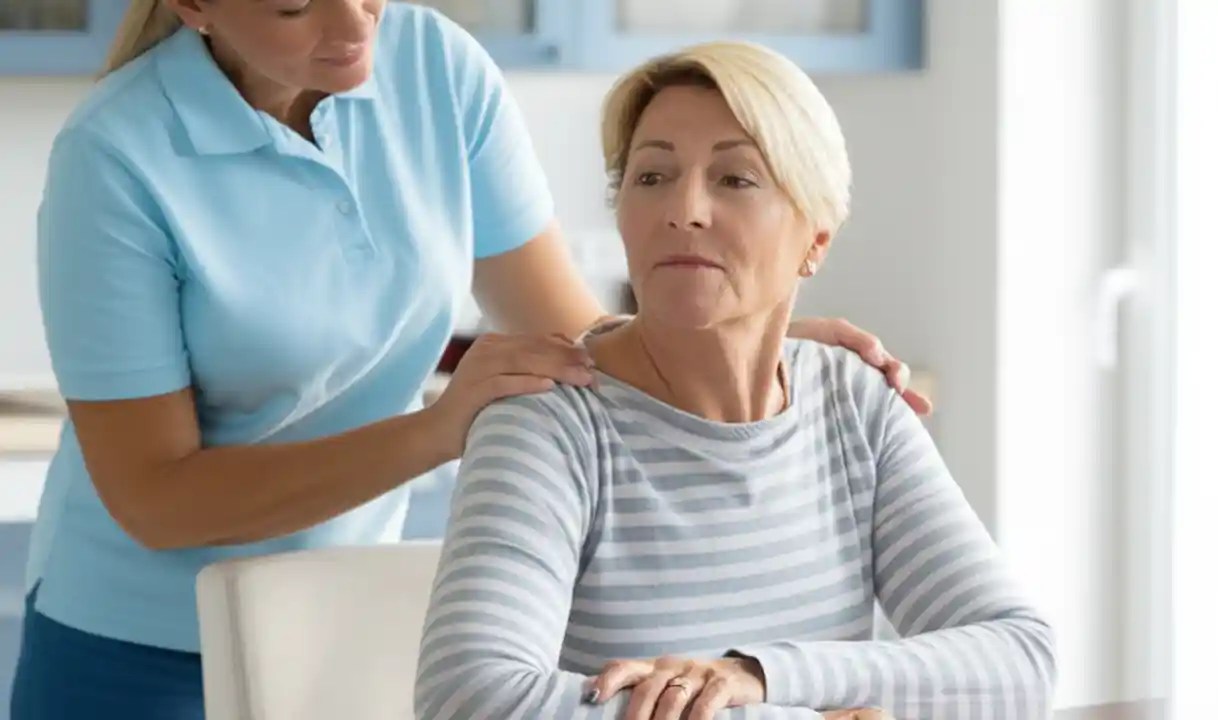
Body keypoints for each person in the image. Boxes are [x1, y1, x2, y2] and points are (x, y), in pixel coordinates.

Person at [8, 2, 927, 718]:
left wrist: (751, 320)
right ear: (195, 7)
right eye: (295, 9)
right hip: (134, 649)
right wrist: (440, 429)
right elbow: (157, 499)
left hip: (344, 619)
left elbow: (573, 334)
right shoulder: (116, 155)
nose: (352, 26)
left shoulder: (437, 68)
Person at [414, 40, 1056, 720]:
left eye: (736, 179)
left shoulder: (854, 403)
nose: (683, 209)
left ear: (815, 240)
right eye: (652, 176)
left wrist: (761, 674)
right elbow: (470, 700)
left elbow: (1020, 661)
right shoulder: (549, 420)